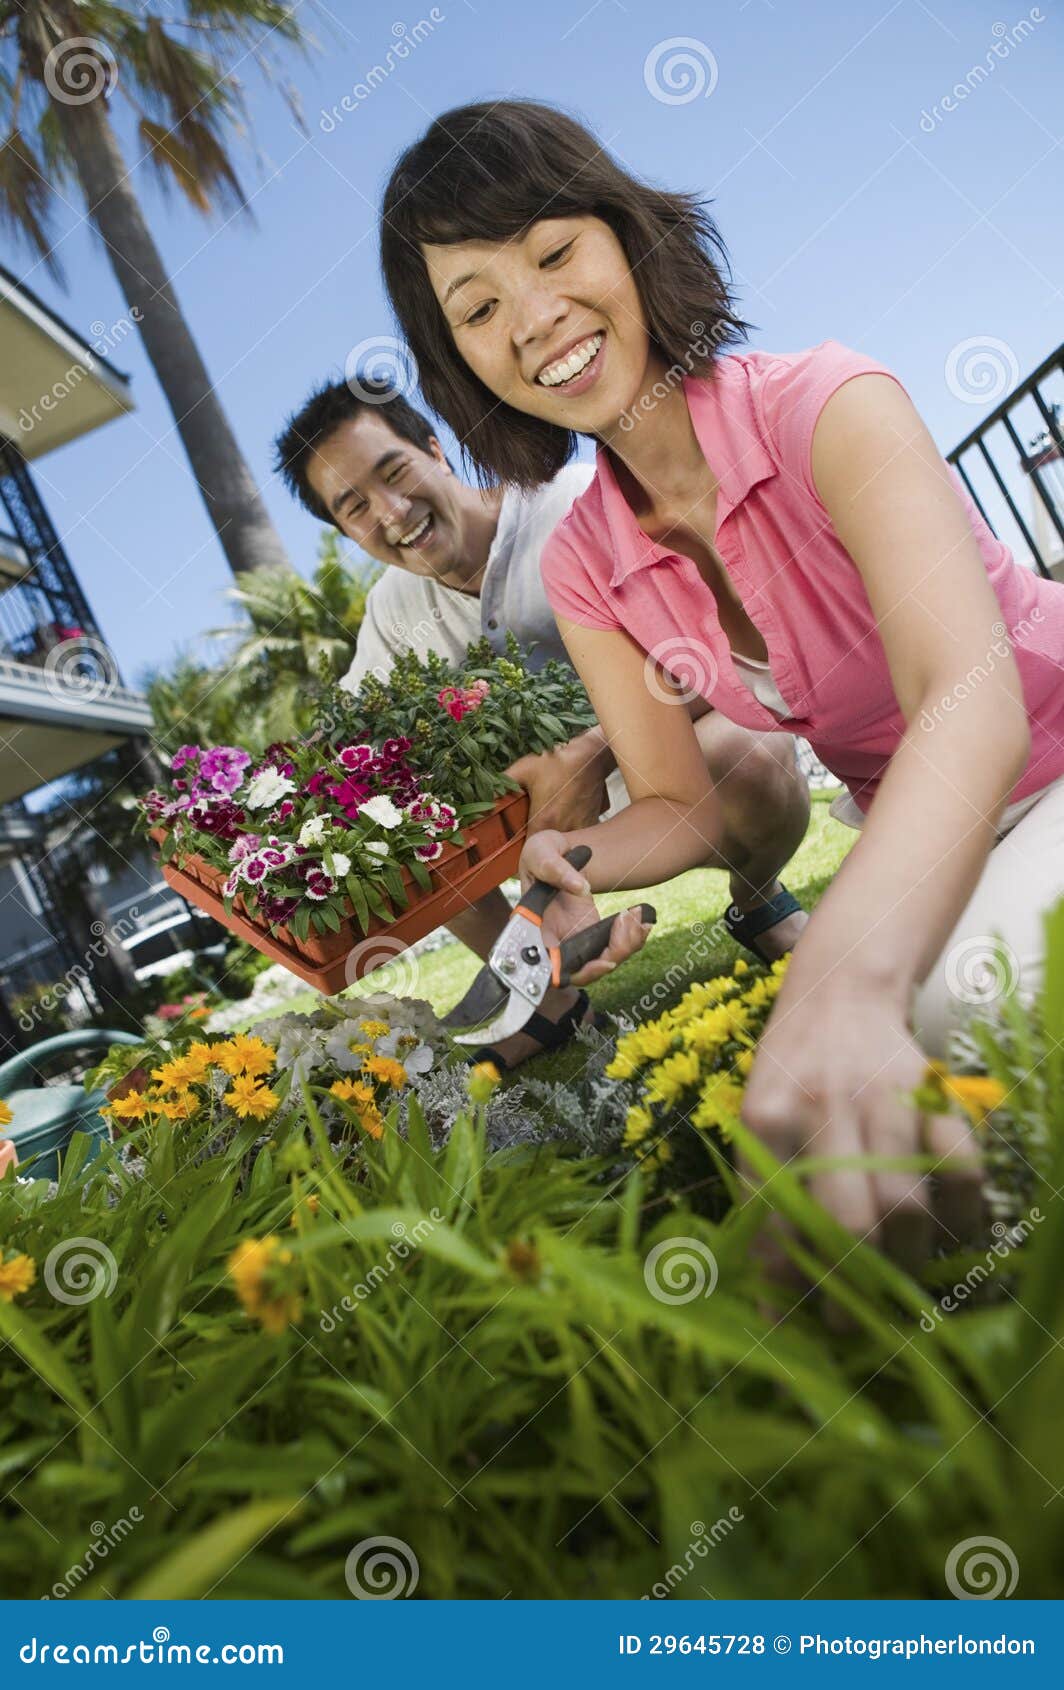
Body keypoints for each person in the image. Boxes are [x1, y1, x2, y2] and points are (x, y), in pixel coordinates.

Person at [377, 97, 1064, 1257]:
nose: (536, 317)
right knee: (819, 1168)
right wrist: (564, 859)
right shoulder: (589, 559)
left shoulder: (827, 406)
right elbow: (681, 804)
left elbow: (969, 697)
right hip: (930, 838)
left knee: (945, 1025)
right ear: (459, 362)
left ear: (626, 237)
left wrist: (836, 980)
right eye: (479, 308)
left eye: (554, 252)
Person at [274, 377, 809, 1070]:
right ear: (345, 530)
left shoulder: (573, 503)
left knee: (754, 763)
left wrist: (596, 755)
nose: (393, 510)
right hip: (530, 826)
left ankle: (758, 898)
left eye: (395, 470)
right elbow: (349, 741)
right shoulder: (392, 611)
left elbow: (723, 653)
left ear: (435, 449)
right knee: (388, 818)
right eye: (354, 507)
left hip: (668, 777)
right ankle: (546, 991)